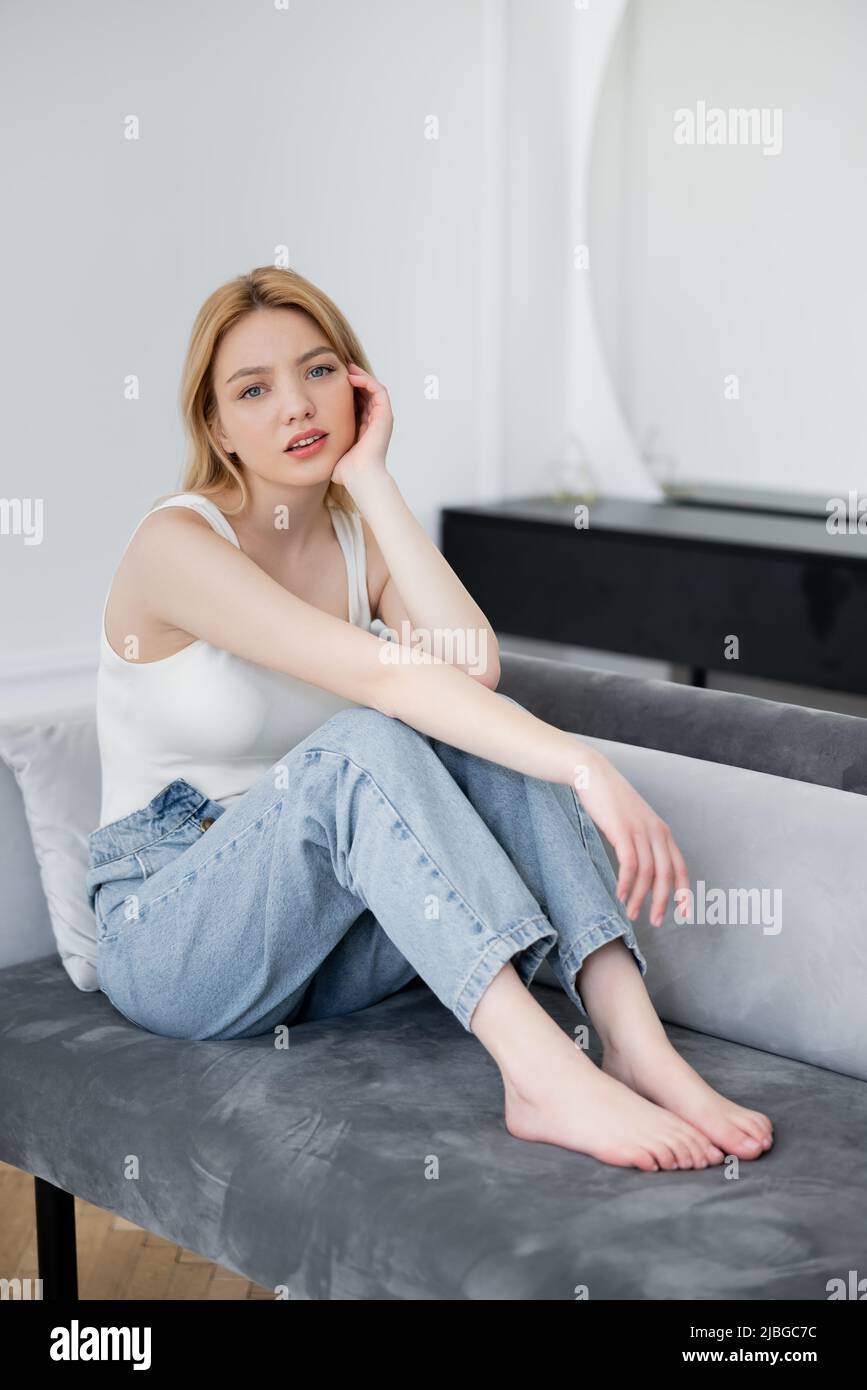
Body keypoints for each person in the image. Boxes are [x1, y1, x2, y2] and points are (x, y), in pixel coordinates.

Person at [85, 265, 773, 1173]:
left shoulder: (350, 534)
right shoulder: (175, 545)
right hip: (173, 937)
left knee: (470, 726)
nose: (296, 405)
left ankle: (631, 1037)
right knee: (364, 741)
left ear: (358, 385)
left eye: (319, 371)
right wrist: (585, 767)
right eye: (254, 390)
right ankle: (538, 1078)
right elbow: (381, 675)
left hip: (318, 942)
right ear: (215, 427)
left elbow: (469, 670)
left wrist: (370, 479)